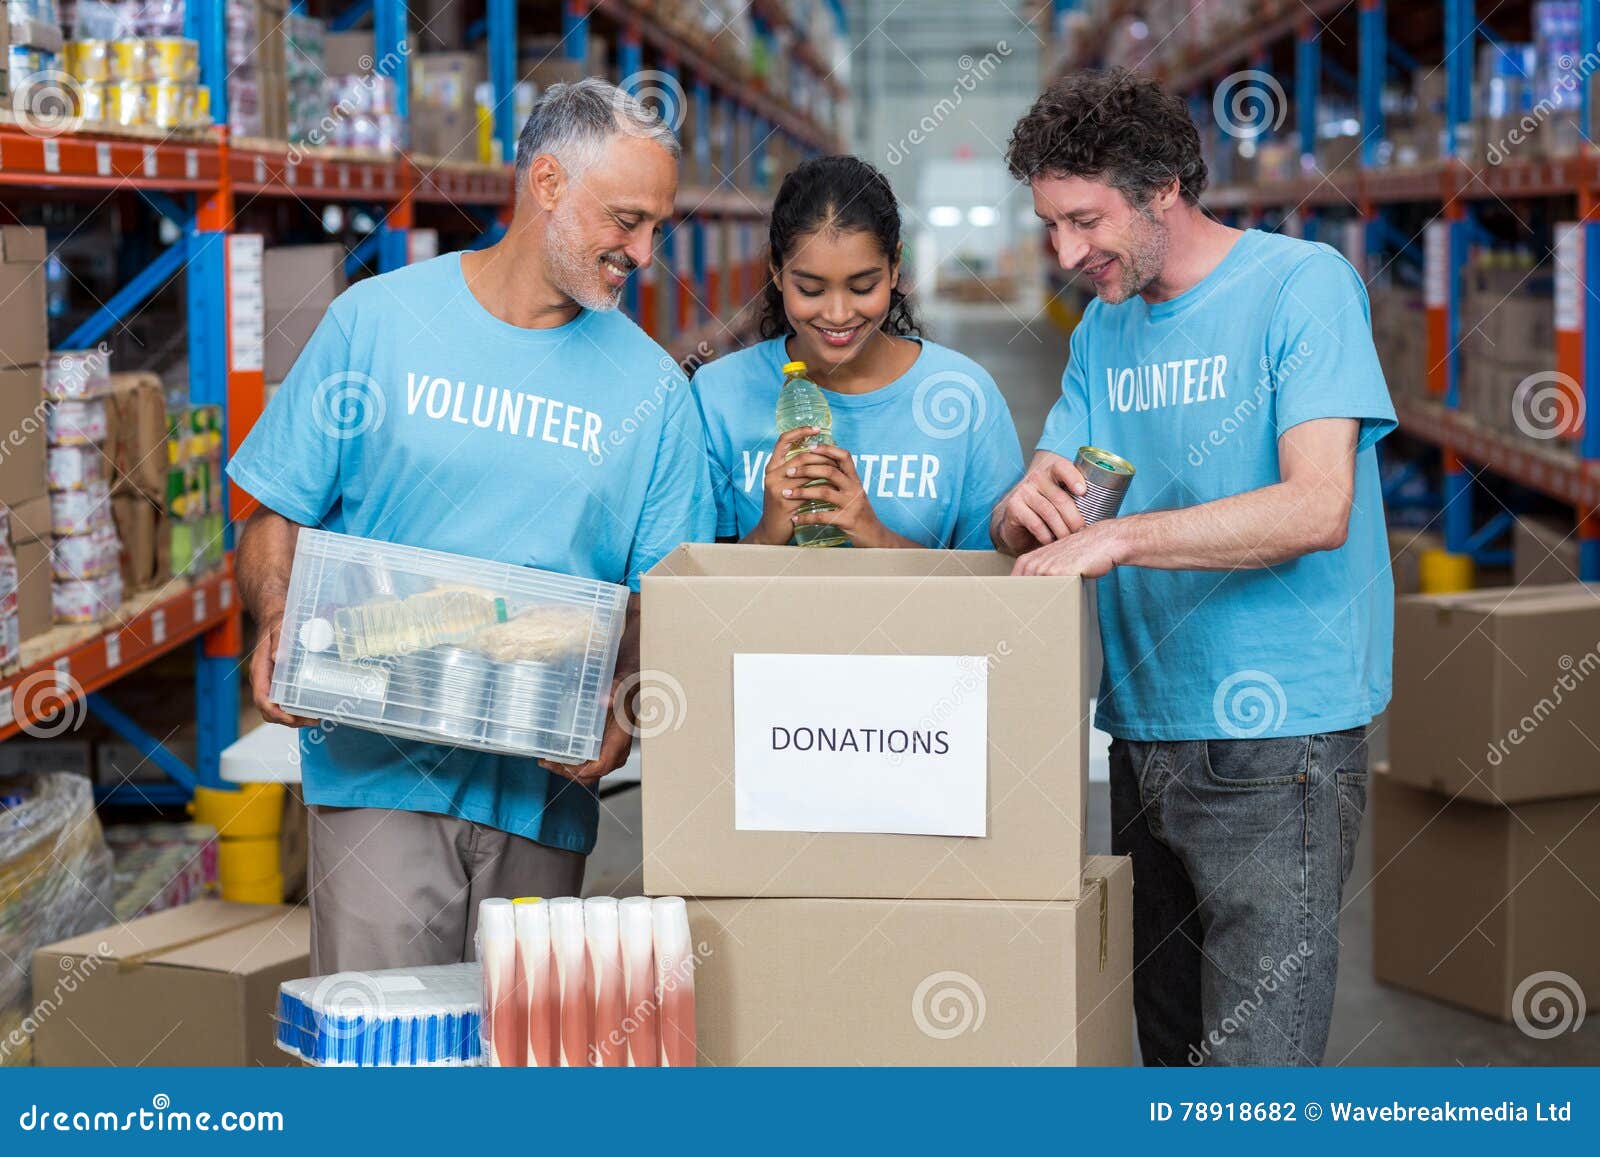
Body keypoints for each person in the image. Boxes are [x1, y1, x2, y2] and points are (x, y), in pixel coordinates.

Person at [229, 79, 714, 975]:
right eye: (626, 220)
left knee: (516, 1061)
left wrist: (629, 694)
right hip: (377, 772)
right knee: (384, 1056)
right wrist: (273, 617)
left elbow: (664, 595)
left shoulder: (655, 391)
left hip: (541, 791)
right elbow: (277, 511)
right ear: (546, 184)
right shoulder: (376, 325)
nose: (644, 252)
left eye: (657, 228)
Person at [992, 71, 1395, 1066]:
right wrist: (1020, 507)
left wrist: (1123, 537)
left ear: (1165, 185)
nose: (1066, 254)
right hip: (1142, 726)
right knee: (1168, 1055)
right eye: (1049, 225)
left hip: (1277, 741)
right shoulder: (1103, 327)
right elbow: (1060, 516)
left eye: (1084, 220)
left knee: (1252, 1074)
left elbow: (1317, 504)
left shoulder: (1300, 286)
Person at [693, 155, 1022, 548]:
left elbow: (992, 589)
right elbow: (695, 589)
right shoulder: (719, 394)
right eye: (811, 290)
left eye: (863, 287)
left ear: (895, 265)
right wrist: (768, 535)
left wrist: (877, 537)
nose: (837, 314)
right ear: (777, 272)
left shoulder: (964, 394)